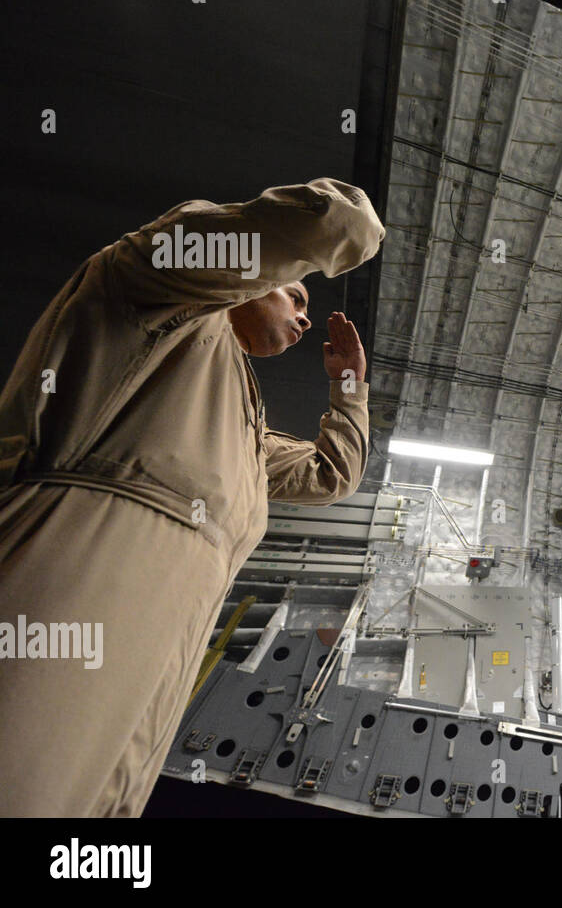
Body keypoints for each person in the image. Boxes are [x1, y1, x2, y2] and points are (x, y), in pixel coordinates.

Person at [0, 178, 384, 816]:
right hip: (73, 582)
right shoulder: (151, 289)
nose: (306, 313)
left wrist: (348, 387)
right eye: (294, 291)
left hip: (167, 645)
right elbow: (323, 227)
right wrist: (346, 231)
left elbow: (330, 475)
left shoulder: (247, 424)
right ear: (250, 279)